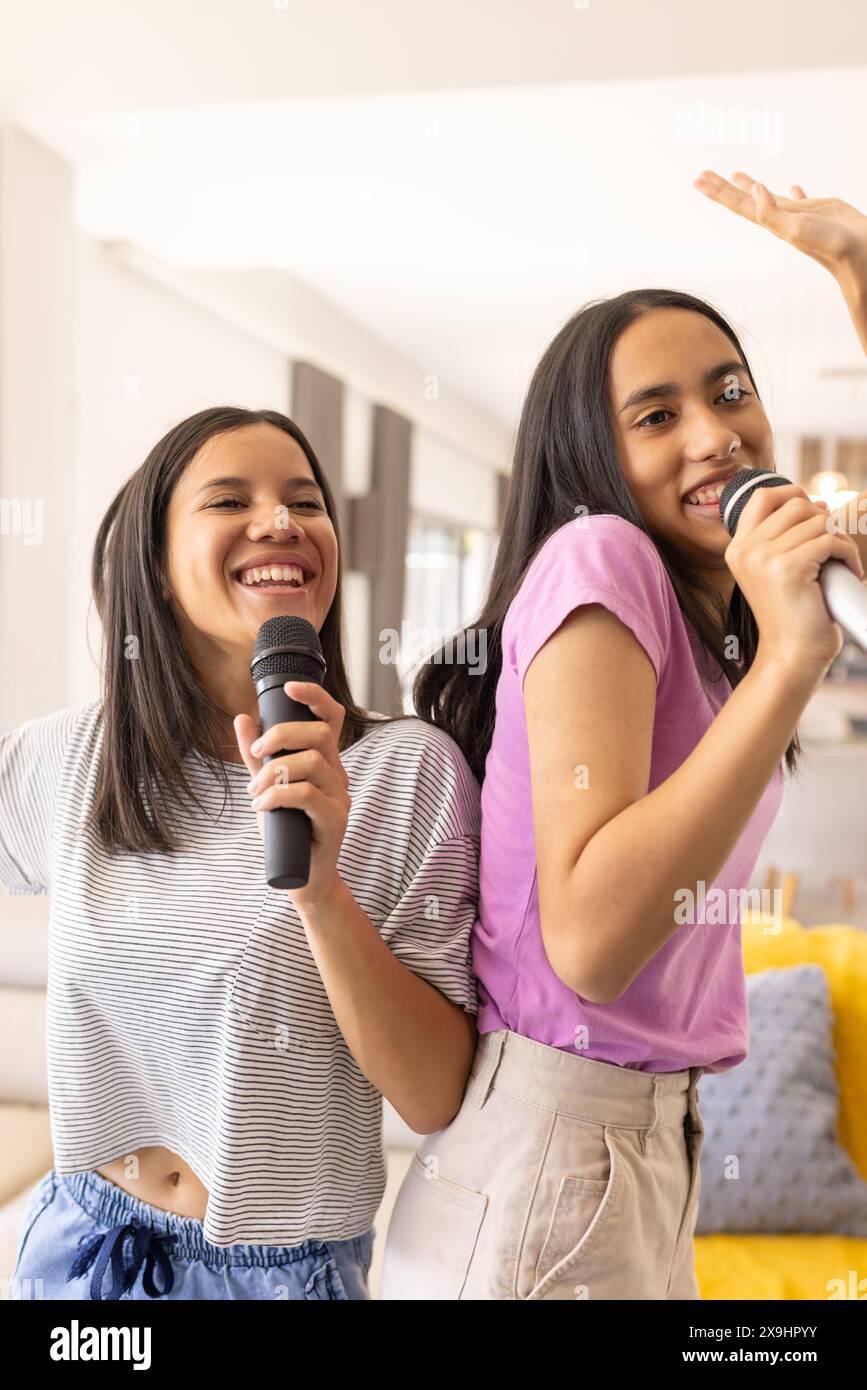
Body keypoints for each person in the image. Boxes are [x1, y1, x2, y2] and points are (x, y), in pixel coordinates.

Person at [380, 174, 867, 1300]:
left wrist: (854, 270)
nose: (716, 435)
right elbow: (592, 946)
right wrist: (797, 663)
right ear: (593, 456)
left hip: (642, 1152)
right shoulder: (602, 556)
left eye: (730, 392)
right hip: (555, 1155)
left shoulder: (721, 629)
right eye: (656, 417)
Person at [3, 406, 481, 1300]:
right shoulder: (71, 761)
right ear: (154, 557)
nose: (281, 521)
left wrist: (321, 888)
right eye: (231, 498)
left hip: (283, 1275)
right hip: (83, 1250)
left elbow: (433, 1098)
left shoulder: (408, 773)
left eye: (305, 501)